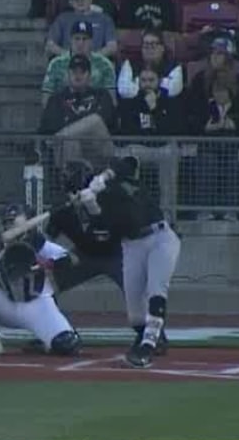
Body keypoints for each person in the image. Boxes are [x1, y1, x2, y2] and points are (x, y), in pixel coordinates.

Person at [51, 155, 179, 369]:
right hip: (130, 246)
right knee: (135, 314)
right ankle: (145, 337)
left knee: (157, 290)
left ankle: (147, 346)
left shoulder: (115, 182)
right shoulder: (86, 202)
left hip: (160, 237)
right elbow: (104, 231)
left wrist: (101, 180)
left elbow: (131, 161)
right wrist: (92, 207)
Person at [0, 204, 82, 358]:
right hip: (5, 304)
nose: (9, 226)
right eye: (7, 222)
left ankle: (45, 341)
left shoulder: (39, 244)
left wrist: (48, 263)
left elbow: (73, 259)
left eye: (13, 222)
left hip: (36, 305)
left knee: (67, 345)